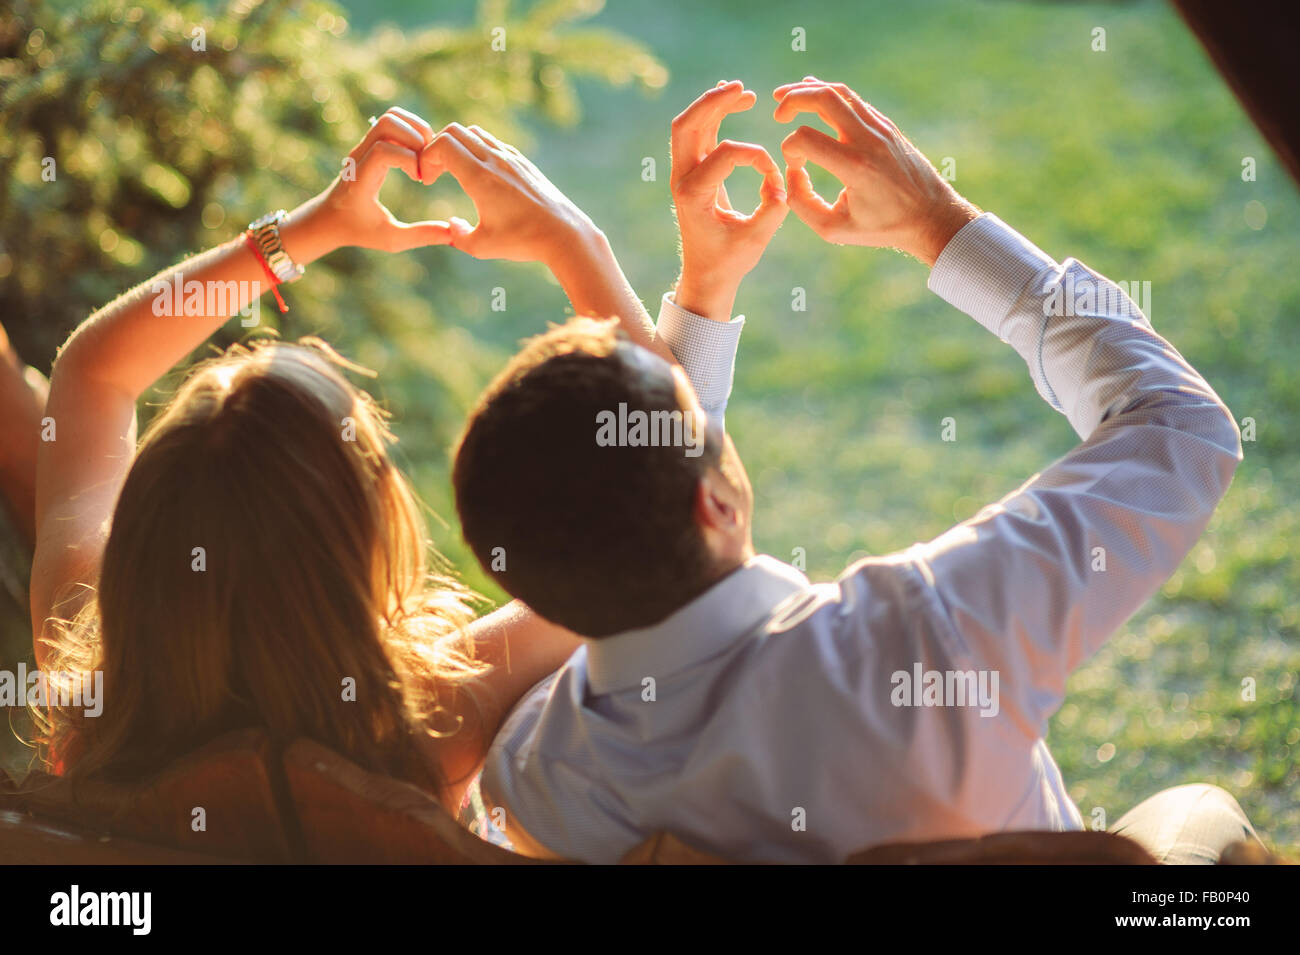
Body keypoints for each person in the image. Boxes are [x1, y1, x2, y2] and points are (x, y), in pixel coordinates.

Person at [453, 78, 1264, 863]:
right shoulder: (929, 632)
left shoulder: (536, 778)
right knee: (1201, 816)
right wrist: (940, 225)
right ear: (715, 506)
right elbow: (1181, 423)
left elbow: (655, 517)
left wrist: (707, 289)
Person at [27, 97, 781, 819]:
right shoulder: (424, 729)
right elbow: (672, 526)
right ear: (369, 535)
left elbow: (92, 375)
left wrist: (303, 232)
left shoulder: (85, 692)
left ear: (146, 534)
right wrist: (574, 243)